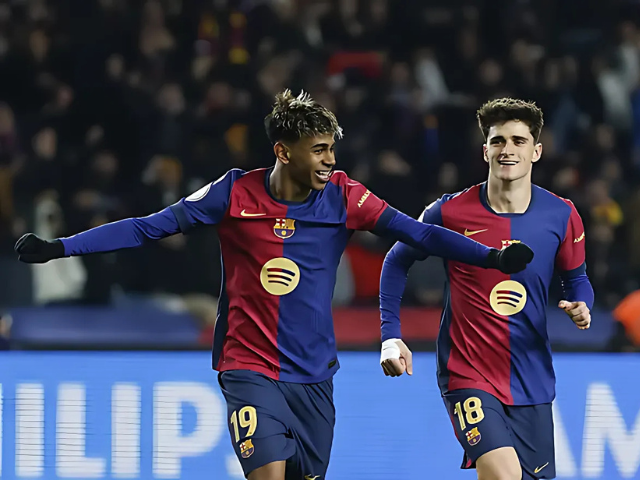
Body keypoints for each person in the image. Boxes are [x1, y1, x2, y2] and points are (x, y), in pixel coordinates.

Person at [16, 90, 533, 480]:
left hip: (313, 375)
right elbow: (146, 226)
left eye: (333, 150)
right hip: (248, 367)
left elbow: (418, 232)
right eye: (320, 151)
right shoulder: (232, 192)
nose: (331, 161)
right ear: (285, 152)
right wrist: (60, 247)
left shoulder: (345, 196)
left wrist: (492, 256)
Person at [379, 98, 594, 480]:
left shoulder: (561, 214)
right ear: (485, 150)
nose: (507, 150)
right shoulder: (448, 213)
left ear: (536, 151)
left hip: (532, 377)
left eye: (518, 141)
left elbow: (576, 278)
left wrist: (582, 304)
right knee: (503, 474)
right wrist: (390, 336)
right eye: (498, 141)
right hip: (468, 372)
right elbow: (396, 260)